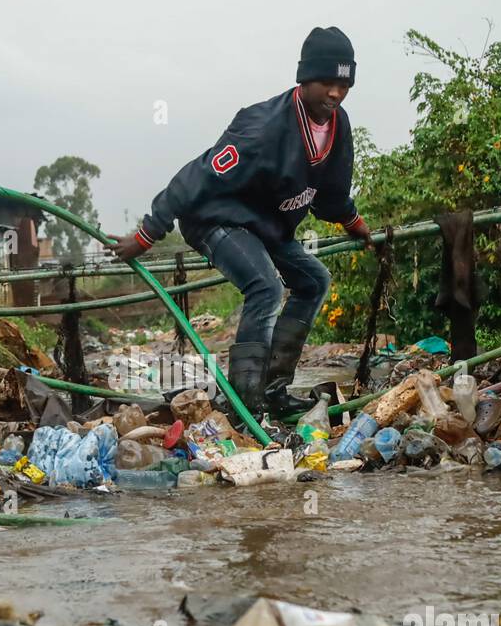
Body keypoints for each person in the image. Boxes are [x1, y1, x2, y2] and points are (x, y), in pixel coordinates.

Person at [109, 26, 380, 417]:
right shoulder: (262, 128)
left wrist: (354, 223)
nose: (335, 93)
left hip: (268, 226)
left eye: (344, 84)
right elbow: (194, 178)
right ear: (304, 79)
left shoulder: (339, 128)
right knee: (266, 287)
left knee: (314, 280)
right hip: (215, 218)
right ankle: (245, 403)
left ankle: (273, 387)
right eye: (326, 82)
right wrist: (147, 233)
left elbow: (331, 195)